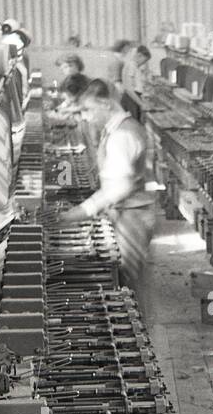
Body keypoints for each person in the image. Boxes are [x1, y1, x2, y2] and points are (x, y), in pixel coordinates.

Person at [59, 80, 156, 304]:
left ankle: (140, 333)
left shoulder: (123, 135)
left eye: (89, 110)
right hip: (129, 213)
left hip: (133, 217)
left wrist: (77, 213)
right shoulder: (119, 128)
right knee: (127, 281)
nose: (87, 117)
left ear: (106, 103)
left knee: (129, 287)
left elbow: (119, 187)